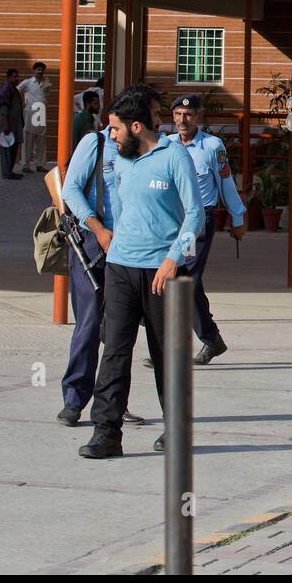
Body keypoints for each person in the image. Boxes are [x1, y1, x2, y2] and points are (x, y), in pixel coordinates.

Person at [78, 86, 204, 459]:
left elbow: (195, 214)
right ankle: (106, 432)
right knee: (115, 351)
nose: (110, 135)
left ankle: (177, 428)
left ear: (136, 127)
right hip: (120, 267)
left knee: (167, 354)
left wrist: (173, 258)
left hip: (163, 272)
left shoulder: (173, 155)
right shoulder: (120, 158)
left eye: (115, 128)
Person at [56, 113, 144, 429]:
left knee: (120, 329)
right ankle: (74, 399)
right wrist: (98, 229)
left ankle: (114, 403)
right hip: (93, 244)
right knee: (90, 322)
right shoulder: (95, 143)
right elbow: (70, 190)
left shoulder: (143, 149)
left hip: (129, 247)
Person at [170, 95, 247, 365]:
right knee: (187, 282)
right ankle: (211, 340)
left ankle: (171, 350)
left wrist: (238, 218)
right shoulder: (166, 145)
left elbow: (226, 184)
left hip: (199, 222)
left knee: (183, 280)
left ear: (199, 117)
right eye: (178, 114)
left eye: (188, 115)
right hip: (173, 223)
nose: (182, 120)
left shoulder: (213, 147)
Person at [18, 61, 52, 174]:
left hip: (41, 113)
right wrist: (22, 103)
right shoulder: (27, 82)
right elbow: (17, 90)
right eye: (38, 69)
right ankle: (25, 164)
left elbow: (46, 95)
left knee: (41, 140)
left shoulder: (45, 83)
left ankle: (40, 164)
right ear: (34, 70)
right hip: (30, 113)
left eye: (42, 69)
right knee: (28, 139)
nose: (40, 71)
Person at [0, 68, 24, 180]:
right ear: (8, 77)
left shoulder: (14, 89)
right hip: (8, 125)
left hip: (15, 124)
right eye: (15, 76)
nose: (17, 78)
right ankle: (6, 173)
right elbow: (3, 108)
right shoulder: (5, 89)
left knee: (13, 148)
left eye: (18, 76)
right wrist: (6, 125)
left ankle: (10, 171)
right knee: (7, 148)